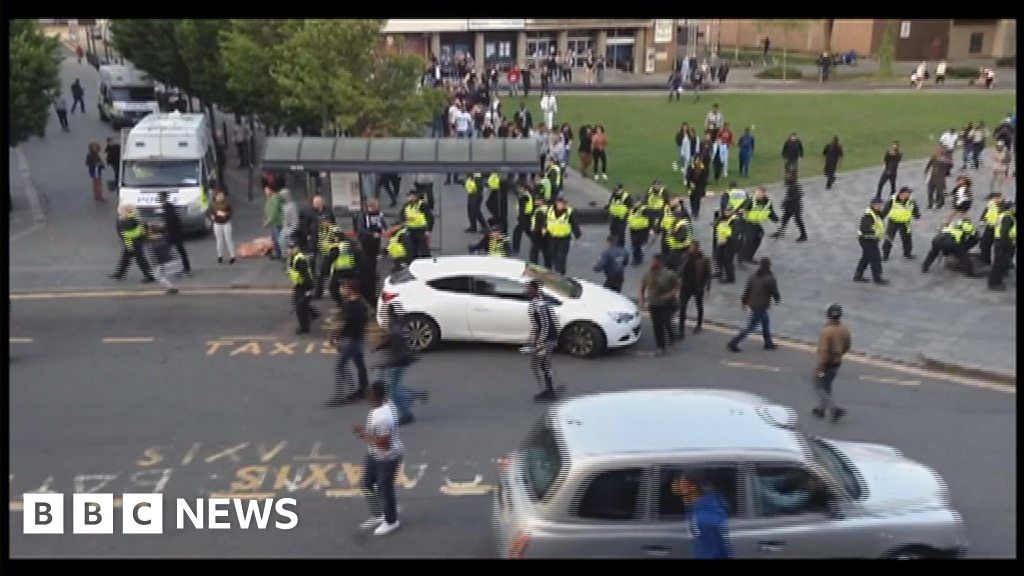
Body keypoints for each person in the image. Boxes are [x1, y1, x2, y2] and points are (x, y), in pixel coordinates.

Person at [352, 381, 404, 537]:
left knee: (384, 489)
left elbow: (384, 445)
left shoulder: (382, 418)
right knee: (366, 483)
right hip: (374, 454)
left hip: (387, 458)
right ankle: (379, 513)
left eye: (368, 393)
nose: (366, 395)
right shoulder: (387, 404)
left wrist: (361, 434)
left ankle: (391, 521)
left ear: (375, 395)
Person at [374, 308, 426, 426]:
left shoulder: (394, 331)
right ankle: (415, 394)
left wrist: (383, 365)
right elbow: (392, 342)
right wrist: (381, 346)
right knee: (393, 387)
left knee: (392, 392)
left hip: (397, 365)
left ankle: (407, 414)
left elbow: (397, 353)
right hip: (398, 363)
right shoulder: (397, 328)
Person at [328, 281, 371, 404]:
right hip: (359, 338)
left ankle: (343, 395)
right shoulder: (362, 304)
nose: (341, 291)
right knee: (359, 364)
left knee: (340, 367)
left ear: (348, 289)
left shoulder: (349, 306)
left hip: (349, 340)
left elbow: (345, 324)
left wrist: (335, 336)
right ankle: (363, 389)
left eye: (342, 288)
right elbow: (364, 321)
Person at [728, 257, 780, 352]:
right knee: (751, 326)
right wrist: (777, 299)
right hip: (761, 305)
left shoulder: (754, 276)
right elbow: (774, 292)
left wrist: (744, 302)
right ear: (769, 266)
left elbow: (747, 290)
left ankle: (768, 343)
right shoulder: (770, 278)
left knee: (765, 322)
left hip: (752, 303)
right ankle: (734, 342)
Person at [674, 474, 732, 559]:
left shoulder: (705, 511)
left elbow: (711, 548)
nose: (678, 487)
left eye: (683, 484)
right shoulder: (696, 507)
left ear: (693, 487)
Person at [813, 304, 852, 422]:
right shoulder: (845, 329)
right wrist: (839, 355)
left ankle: (835, 409)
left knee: (818, 387)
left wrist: (819, 368)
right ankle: (821, 409)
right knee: (827, 386)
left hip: (826, 364)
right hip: (836, 363)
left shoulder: (826, 332)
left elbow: (824, 351)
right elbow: (847, 345)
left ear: (827, 315)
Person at [526, 280, 560, 402]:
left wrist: (540, 342)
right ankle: (549, 389)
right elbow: (547, 323)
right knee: (544, 364)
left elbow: (545, 325)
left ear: (536, 290)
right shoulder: (542, 302)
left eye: (529, 289)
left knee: (542, 364)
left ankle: (550, 392)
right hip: (549, 337)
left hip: (547, 338)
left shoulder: (538, 305)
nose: (527, 291)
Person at [109, 205, 155, 282]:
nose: (119, 211)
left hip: (134, 242)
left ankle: (149, 275)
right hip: (131, 241)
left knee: (140, 259)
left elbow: (126, 230)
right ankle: (119, 273)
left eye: (120, 210)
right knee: (125, 258)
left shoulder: (129, 219)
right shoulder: (131, 218)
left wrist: (121, 222)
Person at [354, 198, 388, 302]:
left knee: (373, 269)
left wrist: (385, 229)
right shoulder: (363, 216)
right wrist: (372, 234)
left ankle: (372, 292)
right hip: (365, 246)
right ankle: (368, 293)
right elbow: (361, 229)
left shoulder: (379, 215)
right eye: (374, 206)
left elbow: (383, 225)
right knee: (367, 270)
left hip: (375, 247)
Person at [678, 242, 712, 338]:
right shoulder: (685, 257)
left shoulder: (704, 259)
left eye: (693, 248)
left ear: (697, 249)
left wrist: (708, 288)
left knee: (699, 306)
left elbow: (708, 274)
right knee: (682, 306)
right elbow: (680, 271)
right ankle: (681, 329)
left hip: (698, 286)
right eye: (690, 248)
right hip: (686, 286)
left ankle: (699, 325)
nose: (691, 250)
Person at [853, 197, 890, 284]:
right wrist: (874, 235)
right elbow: (864, 228)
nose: (879, 206)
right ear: (872, 205)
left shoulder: (876, 213)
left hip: (870, 240)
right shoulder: (868, 216)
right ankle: (877, 278)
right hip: (868, 240)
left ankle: (858, 275)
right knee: (875, 258)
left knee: (866, 257)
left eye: (880, 205)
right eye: (877, 205)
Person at [737, 186, 779, 264]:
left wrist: (776, 220)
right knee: (749, 242)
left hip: (756, 224)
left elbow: (770, 212)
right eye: (757, 193)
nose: (757, 195)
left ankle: (749, 257)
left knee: (757, 240)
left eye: (760, 193)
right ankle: (740, 258)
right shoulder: (751, 200)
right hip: (747, 223)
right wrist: (742, 211)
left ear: (764, 194)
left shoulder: (767, 202)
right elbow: (742, 208)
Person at [286, 241, 318, 334]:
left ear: (296, 248)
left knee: (300, 307)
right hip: (298, 284)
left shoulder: (300, 259)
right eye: (289, 248)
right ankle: (314, 313)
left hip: (304, 285)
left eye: (292, 248)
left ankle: (304, 327)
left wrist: (309, 289)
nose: (290, 250)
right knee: (299, 302)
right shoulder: (292, 258)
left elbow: (306, 275)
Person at [157, 191, 192, 276]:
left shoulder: (167, 208)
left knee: (163, 251)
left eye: (161, 199)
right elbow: (175, 220)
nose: (161, 201)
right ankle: (186, 268)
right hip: (175, 233)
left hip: (171, 234)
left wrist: (162, 228)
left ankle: (165, 268)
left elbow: (170, 222)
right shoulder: (170, 207)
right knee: (180, 251)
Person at [881, 186, 921, 260]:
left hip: (905, 222)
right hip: (893, 221)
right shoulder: (892, 200)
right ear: (902, 193)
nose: (909, 194)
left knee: (907, 239)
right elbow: (885, 210)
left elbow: (915, 211)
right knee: (889, 238)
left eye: (910, 193)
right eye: (908, 193)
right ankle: (885, 255)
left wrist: (918, 219)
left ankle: (907, 254)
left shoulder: (911, 201)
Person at [325, 226, 362, 307]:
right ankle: (357, 306)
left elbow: (330, 259)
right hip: (352, 270)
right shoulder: (351, 243)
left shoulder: (336, 246)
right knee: (353, 291)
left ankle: (344, 307)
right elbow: (358, 256)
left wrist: (324, 271)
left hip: (341, 271)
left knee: (335, 289)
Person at [546, 197, 581, 275]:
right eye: (560, 203)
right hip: (552, 237)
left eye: (563, 204)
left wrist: (577, 237)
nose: (561, 205)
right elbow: (546, 220)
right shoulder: (550, 209)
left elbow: (575, 224)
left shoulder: (570, 212)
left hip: (564, 238)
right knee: (553, 255)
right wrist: (544, 227)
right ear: (556, 203)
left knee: (561, 257)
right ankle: (557, 271)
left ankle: (561, 273)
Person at [770, 172, 807, 241]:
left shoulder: (795, 186)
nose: (786, 178)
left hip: (795, 207)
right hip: (790, 207)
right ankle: (779, 233)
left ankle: (804, 235)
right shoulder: (791, 185)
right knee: (784, 220)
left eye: (787, 177)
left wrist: (786, 201)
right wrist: (785, 202)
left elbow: (799, 195)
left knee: (798, 221)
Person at [988, 201, 1016, 291]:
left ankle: (997, 279)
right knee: (999, 263)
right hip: (1004, 243)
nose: (1014, 208)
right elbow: (1004, 232)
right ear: (1009, 208)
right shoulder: (1008, 217)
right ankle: (995, 283)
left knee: (999, 263)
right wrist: (1009, 243)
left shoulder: (1002, 215)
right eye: (1013, 207)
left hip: (999, 241)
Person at [146, 224, 179, 295]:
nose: (148, 231)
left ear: (153, 232)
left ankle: (171, 288)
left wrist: (157, 264)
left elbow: (157, 254)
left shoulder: (155, 242)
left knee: (158, 276)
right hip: (169, 260)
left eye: (149, 230)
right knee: (160, 275)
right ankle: (171, 287)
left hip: (163, 262)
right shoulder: (164, 238)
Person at [400, 190, 433, 259]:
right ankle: (414, 261)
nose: (409, 198)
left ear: (415, 196)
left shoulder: (422, 205)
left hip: (421, 229)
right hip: (410, 229)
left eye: (411, 196)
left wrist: (428, 230)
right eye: (408, 196)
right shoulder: (406, 205)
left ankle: (426, 262)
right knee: (412, 248)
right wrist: (404, 222)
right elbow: (402, 216)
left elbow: (430, 217)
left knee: (424, 249)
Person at [207, 190, 236, 265]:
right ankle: (220, 256)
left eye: (222, 196)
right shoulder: (213, 204)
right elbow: (208, 212)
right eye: (218, 196)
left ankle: (232, 256)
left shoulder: (227, 203)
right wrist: (212, 216)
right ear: (215, 197)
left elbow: (231, 211)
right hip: (217, 223)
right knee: (219, 240)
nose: (220, 197)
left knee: (228, 239)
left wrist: (226, 214)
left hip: (226, 223)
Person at [714, 206, 741, 284]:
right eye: (725, 211)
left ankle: (730, 278)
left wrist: (726, 239)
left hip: (730, 243)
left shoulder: (736, 220)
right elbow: (717, 224)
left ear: (732, 212)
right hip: (721, 241)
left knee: (727, 260)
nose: (726, 213)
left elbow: (735, 233)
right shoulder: (723, 218)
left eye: (728, 211)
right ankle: (719, 272)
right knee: (718, 257)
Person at [979, 191, 1004, 265]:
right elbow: (985, 213)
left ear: (998, 198)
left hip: (1000, 230)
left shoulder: (1004, 206)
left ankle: (1004, 264)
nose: (991, 201)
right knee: (984, 244)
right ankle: (985, 261)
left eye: (992, 199)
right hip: (990, 227)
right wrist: (982, 220)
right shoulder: (991, 204)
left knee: (1000, 249)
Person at [606, 184, 632, 248]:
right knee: (612, 231)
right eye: (615, 190)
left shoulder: (626, 196)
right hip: (614, 216)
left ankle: (621, 246)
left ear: (621, 189)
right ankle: (613, 245)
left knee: (621, 232)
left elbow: (630, 206)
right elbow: (610, 204)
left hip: (622, 218)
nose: (616, 192)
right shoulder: (613, 195)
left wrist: (626, 215)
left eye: (618, 190)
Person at [528, 196, 551, 268]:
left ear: (541, 201)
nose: (535, 202)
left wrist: (543, 231)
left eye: (537, 200)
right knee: (545, 252)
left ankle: (534, 266)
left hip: (538, 234)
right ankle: (548, 267)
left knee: (534, 251)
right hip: (540, 233)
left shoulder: (542, 210)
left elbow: (544, 222)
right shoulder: (542, 209)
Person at [628, 201, 652, 266]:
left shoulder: (644, 209)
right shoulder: (632, 209)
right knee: (634, 245)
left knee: (636, 245)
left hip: (641, 229)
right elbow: (630, 218)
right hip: (633, 229)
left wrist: (650, 230)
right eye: (635, 203)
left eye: (637, 203)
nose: (636, 204)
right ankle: (639, 257)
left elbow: (649, 219)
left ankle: (636, 259)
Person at [263, 184, 284, 261]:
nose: (265, 191)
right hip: (273, 222)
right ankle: (278, 254)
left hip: (277, 221)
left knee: (279, 238)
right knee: (275, 238)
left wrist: (268, 220)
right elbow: (269, 208)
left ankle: (282, 254)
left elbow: (274, 210)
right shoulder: (269, 197)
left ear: (271, 190)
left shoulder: (275, 197)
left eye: (266, 190)